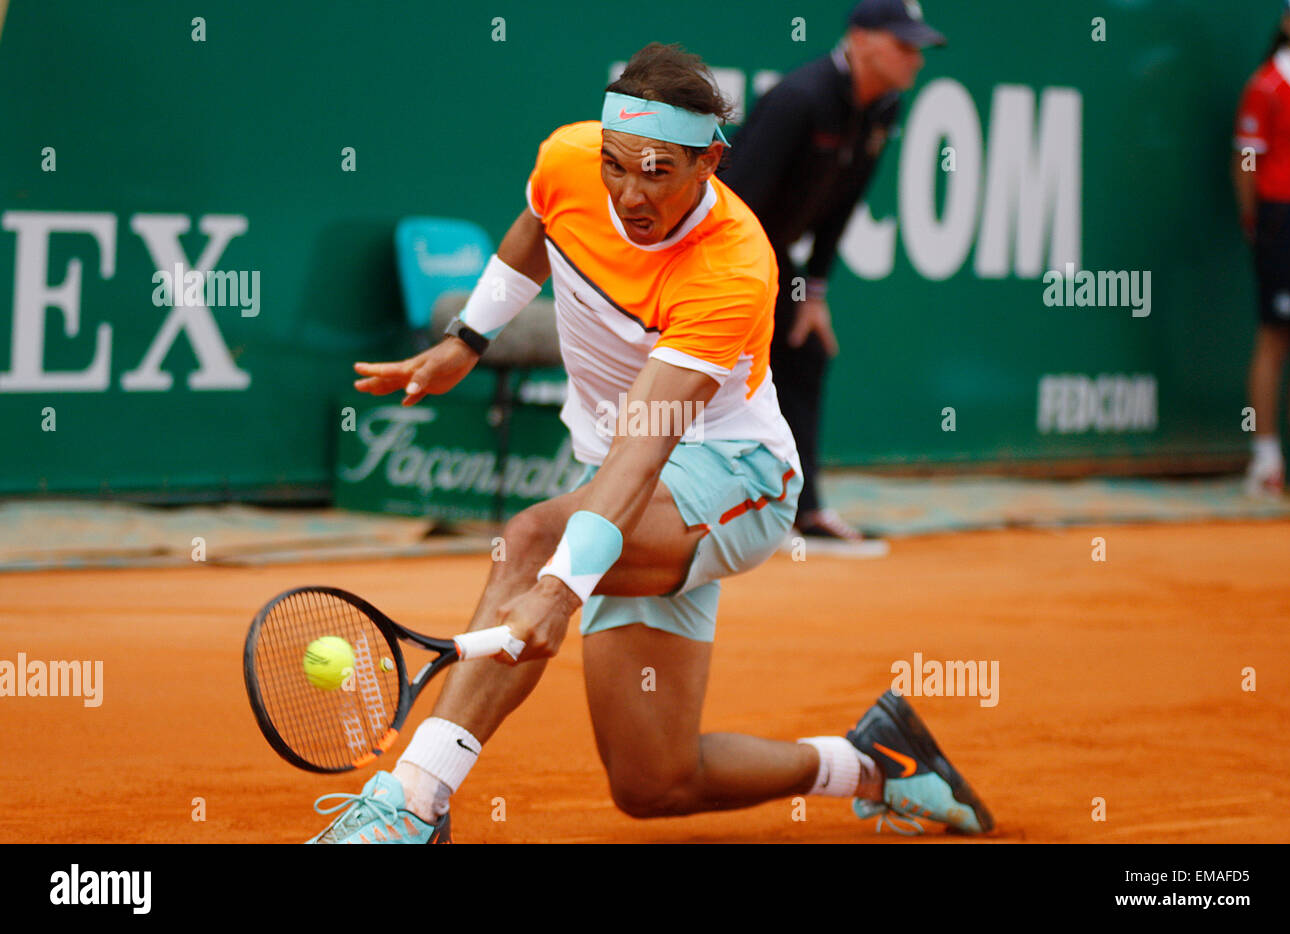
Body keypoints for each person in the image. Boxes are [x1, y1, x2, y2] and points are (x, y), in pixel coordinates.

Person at [309, 42, 992, 843]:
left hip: (737, 479)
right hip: (629, 493)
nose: (630, 194)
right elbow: (538, 224)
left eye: (658, 172)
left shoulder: (731, 267)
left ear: (711, 162)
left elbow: (644, 444)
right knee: (654, 779)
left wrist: (561, 590)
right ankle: (878, 763)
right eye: (617, 166)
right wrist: (468, 337)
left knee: (531, 539)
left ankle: (411, 805)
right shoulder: (570, 161)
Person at [719, 0, 944, 542]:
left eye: (918, 48)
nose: (915, 59)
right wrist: (752, 286)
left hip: (776, 257)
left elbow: (843, 206)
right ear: (862, 39)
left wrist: (812, 291)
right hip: (731, 250)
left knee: (807, 350)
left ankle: (802, 509)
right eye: (903, 45)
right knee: (724, 371)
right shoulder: (801, 98)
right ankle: (717, 512)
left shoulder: (883, 107)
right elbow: (737, 199)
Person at [1236, 1, 1290, 496]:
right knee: (1275, 335)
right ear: (1288, 23)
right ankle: (1266, 460)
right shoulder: (1266, 85)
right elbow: (1247, 162)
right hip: (1281, 217)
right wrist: (1257, 220)